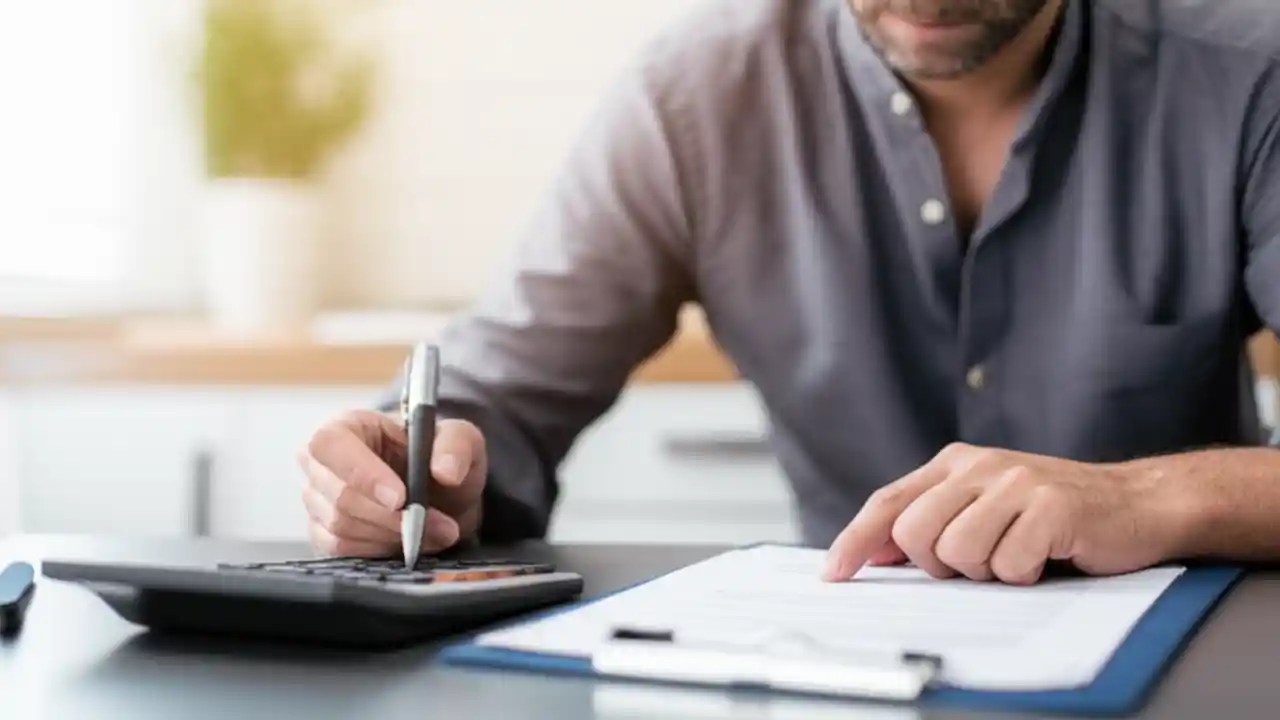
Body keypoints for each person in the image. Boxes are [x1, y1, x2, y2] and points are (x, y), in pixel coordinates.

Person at [299, 0, 1280, 585]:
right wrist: (420, 471)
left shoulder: (1244, 72)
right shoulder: (698, 98)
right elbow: (499, 391)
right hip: (837, 674)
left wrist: (1149, 496)